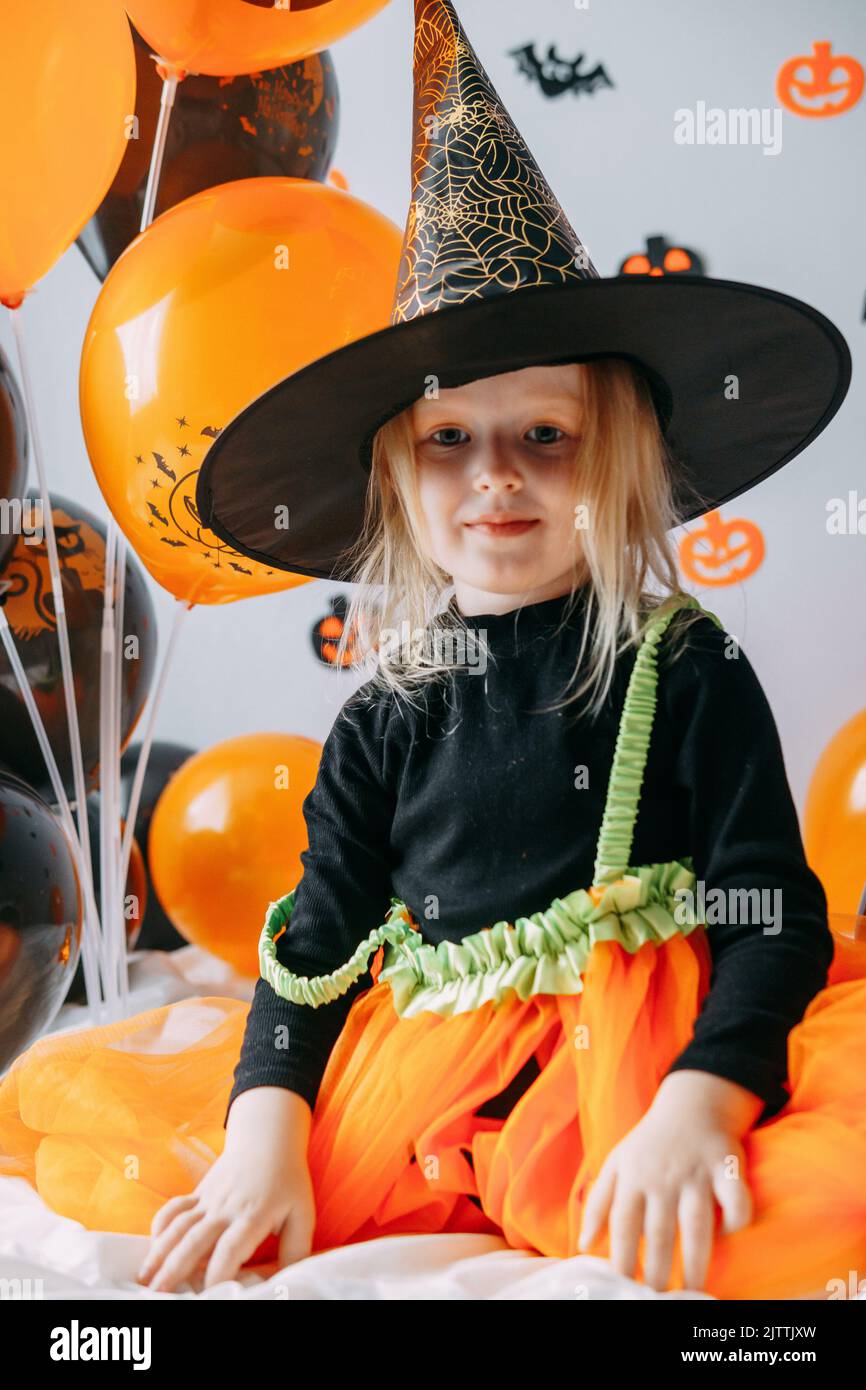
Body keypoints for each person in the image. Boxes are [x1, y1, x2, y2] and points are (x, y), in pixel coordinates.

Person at [1, 0, 863, 1301]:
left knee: (759, 1212)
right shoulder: (389, 713)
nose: (495, 479)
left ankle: (616, 1153)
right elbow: (315, 934)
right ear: (397, 481)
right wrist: (264, 1135)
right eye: (449, 441)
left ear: (615, 458)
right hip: (426, 1052)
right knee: (206, 1186)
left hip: (639, 1041)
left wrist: (698, 1097)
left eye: (545, 437)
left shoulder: (681, 667)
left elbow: (770, 911)